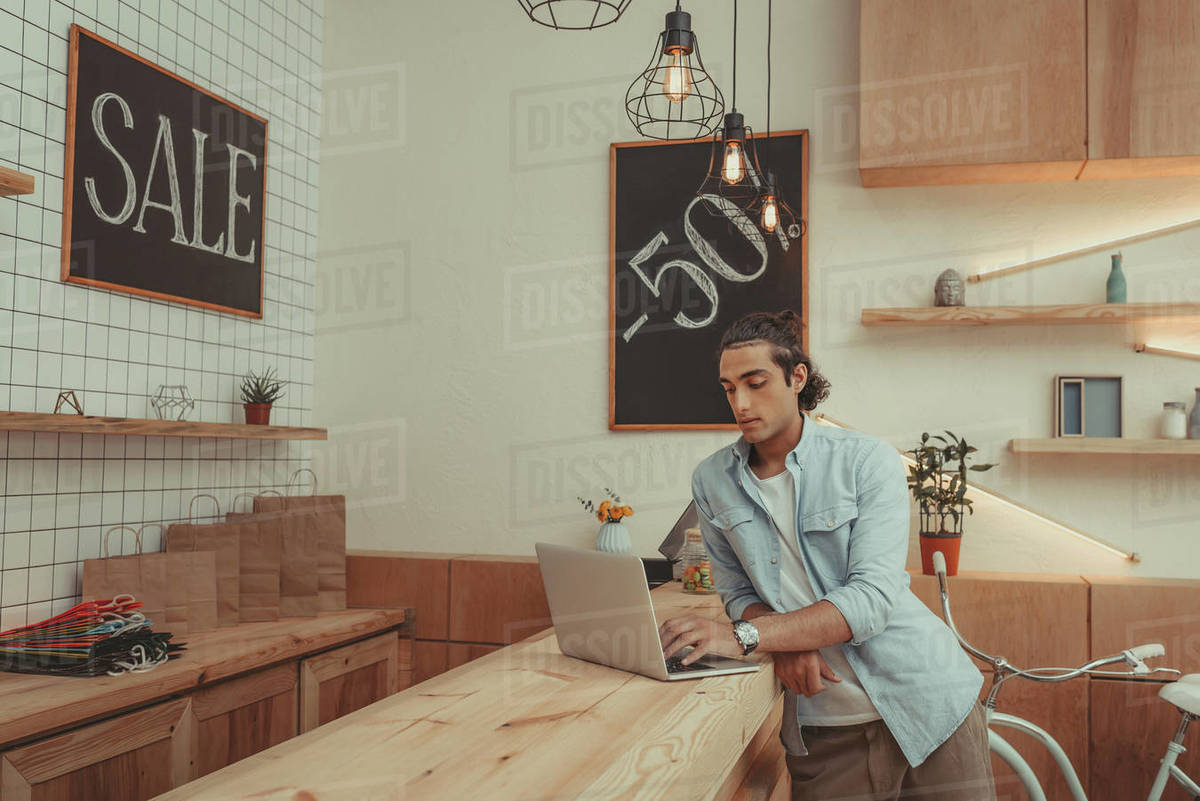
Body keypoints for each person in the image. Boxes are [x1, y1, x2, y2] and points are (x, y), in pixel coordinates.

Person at [658, 310, 996, 801]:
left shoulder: (865, 459)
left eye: (756, 383)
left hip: (929, 704)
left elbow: (871, 598)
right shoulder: (711, 480)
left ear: (798, 378)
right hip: (823, 728)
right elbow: (737, 591)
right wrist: (783, 641)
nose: (741, 402)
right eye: (730, 388)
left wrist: (748, 636)